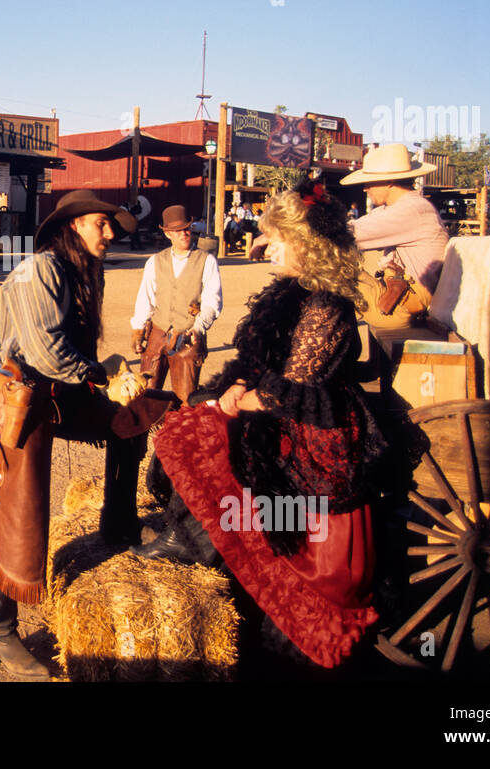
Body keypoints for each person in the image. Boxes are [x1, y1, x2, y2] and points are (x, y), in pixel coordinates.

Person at [133, 178, 415, 674]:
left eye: (276, 238)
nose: (265, 245)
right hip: (280, 411)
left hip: (312, 431)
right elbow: (258, 359)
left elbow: (296, 389)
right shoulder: (292, 294)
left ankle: (211, 550)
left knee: (217, 437)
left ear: (305, 245)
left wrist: (239, 401)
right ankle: (197, 539)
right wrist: (231, 388)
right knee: (191, 421)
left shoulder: (327, 305)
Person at [0, 189, 174, 677]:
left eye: (110, 226)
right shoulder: (40, 270)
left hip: (59, 388)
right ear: (73, 225)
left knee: (131, 418)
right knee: (19, 511)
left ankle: (119, 522)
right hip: (18, 397)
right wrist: (105, 374)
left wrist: (110, 378)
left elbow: (71, 357)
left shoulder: (86, 269)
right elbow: (44, 352)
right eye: (101, 224)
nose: (110, 233)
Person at [340, 143, 449, 329]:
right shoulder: (404, 207)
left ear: (389, 181)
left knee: (323, 264)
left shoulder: (410, 210)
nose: (366, 188)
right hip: (395, 298)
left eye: (370, 182)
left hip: (398, 308)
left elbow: (343, 234)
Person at [130, 204, 223, 404]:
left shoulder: (207, 261)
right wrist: (138, 331)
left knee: (185, 399)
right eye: (178, 230)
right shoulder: (155, 261)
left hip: (187, 335)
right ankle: (148, 435)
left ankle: (179, 434)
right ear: (168, 234)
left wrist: (198, 328)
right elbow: (145, 298)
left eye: (187, 228)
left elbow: (212, 303)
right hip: (157, 332)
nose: (185, 233)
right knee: (145, 395)